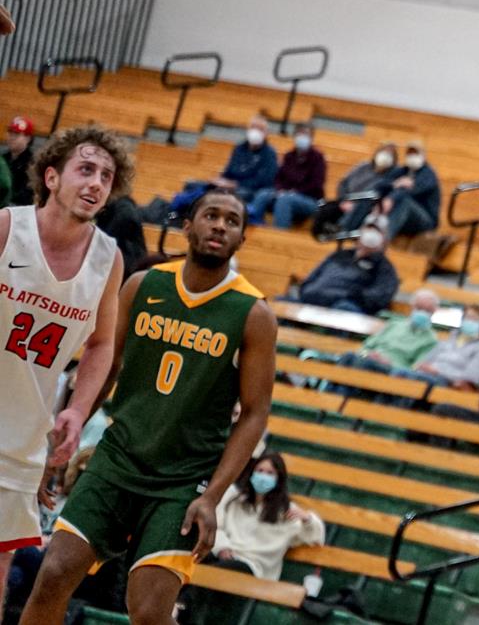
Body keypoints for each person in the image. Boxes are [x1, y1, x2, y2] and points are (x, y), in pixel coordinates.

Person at [25, 189, 276, 625]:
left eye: (231, 221)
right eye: (211, 215)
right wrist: (70, 430)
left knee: (148, 611)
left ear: (241, 240)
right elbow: (105, 362)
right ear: (187, 226)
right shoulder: (144, 285)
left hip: (183, 479)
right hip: (118, 458)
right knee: (53, 573)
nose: (219, 225)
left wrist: (213, 496)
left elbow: (254, 414)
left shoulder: (253, 314)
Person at [0, 127, 127, 590]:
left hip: (24, 437)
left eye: (107, 176)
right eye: (86, 169)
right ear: (51, 177)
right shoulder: (8, 227)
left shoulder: (108, 258)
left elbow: (100, 344)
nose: (96, 183)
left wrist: (77, 408)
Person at [208, 454, 324, 580]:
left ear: (279, 479)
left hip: (253, 567)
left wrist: (308, 519)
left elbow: (314, 537)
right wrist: (222, 547)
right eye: (260, 471)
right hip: (224, 555)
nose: (263, 476)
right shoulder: (236, 500)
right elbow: (216, 527)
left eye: (270, 473)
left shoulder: (286, 511)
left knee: (226, 571)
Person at [167, 116, 278, 219]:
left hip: (249, 190)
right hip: (229, 185)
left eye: (260, 129)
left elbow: (265, 181)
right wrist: (220, 180)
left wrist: (235, 185)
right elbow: (228, 172)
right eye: (253, 127)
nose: (255, 132)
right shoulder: (239, 148)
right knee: (192, 185)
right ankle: (174, 216)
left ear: (266, 133)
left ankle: (190, 215)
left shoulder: (269, 153)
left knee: (223, 193)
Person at [294, 225, 401, 315]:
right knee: (283, 302)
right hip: (314, 297)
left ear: (382, 242)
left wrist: (350, 295)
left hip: (346, 305)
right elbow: (313, 277)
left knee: (344, 309)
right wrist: (307, 290)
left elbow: (378, 297)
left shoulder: (383, 267)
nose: (368, 239)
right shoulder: (340, 255)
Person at [339, 287, 440, 370]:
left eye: (427, 310)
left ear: (433, 312)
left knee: (364, 365)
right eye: (419, 308)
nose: (422, 313)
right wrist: (367, 355)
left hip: (392, 370)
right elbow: (365, 348)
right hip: (370, 359)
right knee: (348, 357)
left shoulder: (431, 340)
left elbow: (415, 368)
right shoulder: (393, 325)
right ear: (412, 307)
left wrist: (389, 363)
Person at [246, 129, 325, 228]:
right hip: (286, 193)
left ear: (311, 138)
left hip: (310, 199)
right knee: (263, 194)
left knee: (285, 199)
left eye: (306, 135)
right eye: (299, 135)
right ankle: (252, 225)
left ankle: (279, 233)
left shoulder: (317, 158)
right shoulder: (289, 156)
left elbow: (316, 184)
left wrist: (294, 192)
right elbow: (279, 178)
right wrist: (280, 189)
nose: (302, 138)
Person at [401, 310, 479, 390]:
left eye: (475, 319)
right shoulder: (447, 340)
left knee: (414, 379)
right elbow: (427, 360)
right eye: (468, 317)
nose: (470, 321)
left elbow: (470, 377)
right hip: (427, 374)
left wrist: (438, 372)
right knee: (401, 373)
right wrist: (420, 367)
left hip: (447, 381)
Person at [373, 141, 439, 240]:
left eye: (415, 153)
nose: (412, 156)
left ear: (423, 156)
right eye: (409, 153)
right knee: (375, 198)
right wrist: (395, 184)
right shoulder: (403, 171)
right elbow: (380, 185)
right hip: (405, 219)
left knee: (404, 201)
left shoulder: (428, 173)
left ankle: (383, 239)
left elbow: (412, 190)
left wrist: (391, 199)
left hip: (426, 221)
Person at [332, 144, 400, 236]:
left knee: (366, 198)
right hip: (347, 201)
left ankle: (342, 226)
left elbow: (382, 192)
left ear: (394, 159)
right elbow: (343, 183)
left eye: (390, 154)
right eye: (384, 152)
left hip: (369, 205)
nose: (385, 156)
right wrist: (344, 200)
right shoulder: (363, 166)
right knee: (328, 207)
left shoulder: (393, 175)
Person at [5, 118, 34, 207]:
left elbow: (26, 196)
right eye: (10, 133)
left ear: (28, 138)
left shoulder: (32, 164)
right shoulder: (3, 158)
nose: (12, 137)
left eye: (17, 134)